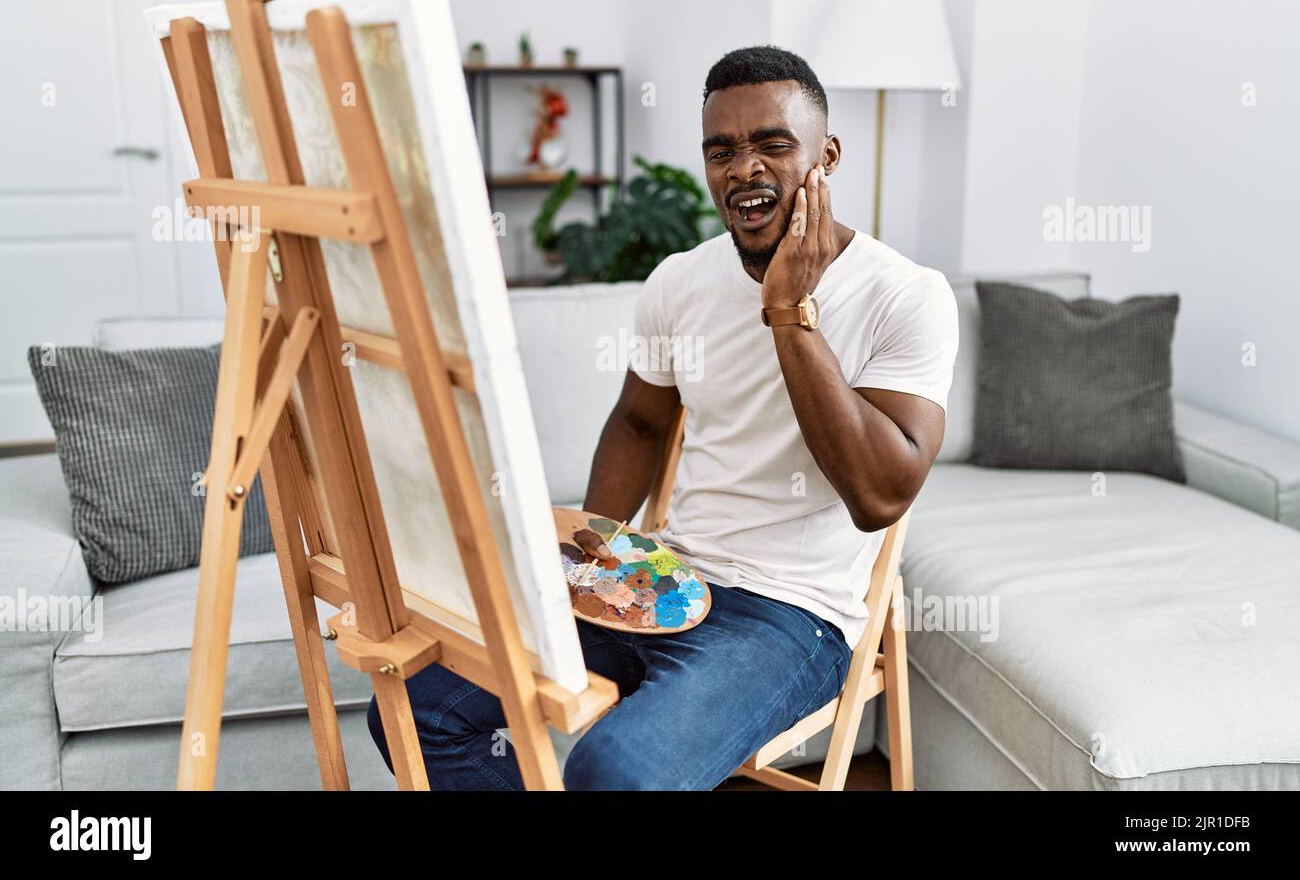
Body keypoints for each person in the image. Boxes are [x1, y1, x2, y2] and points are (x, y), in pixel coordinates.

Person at [368, 45, 960, 790]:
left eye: (773, 144)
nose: (745, 168)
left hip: (790, 616)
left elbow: (880, 497)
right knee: (420, 706)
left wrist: (789, 314)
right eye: (723, 150)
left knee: (614, 769)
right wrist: (590, 561)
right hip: (664, 575)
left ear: (827, 156)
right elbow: (640, 425)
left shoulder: (907, 296)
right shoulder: (679, 281)